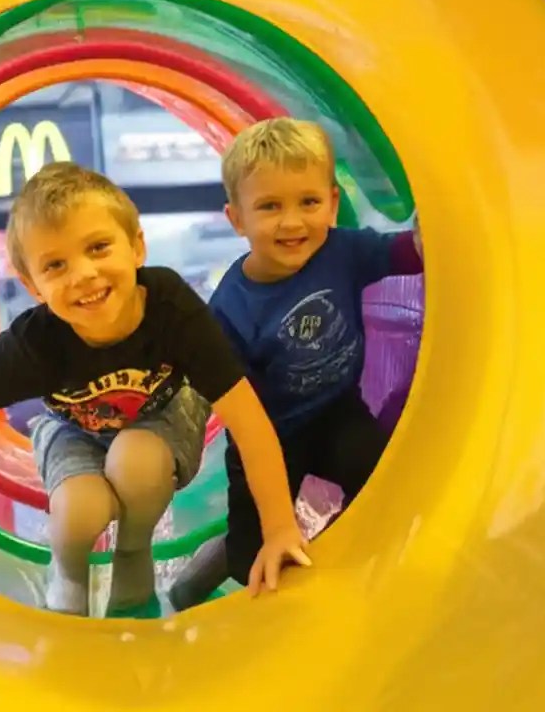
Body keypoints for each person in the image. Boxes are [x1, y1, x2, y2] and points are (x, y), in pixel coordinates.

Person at [0, 161, 308, 617]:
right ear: (32, 285)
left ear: (137, 247)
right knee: (81, 509)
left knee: (136, 459)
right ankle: (69, 576)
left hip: (162, 418)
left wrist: (280, 528)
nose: (83, 275)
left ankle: (134, 554)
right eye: (55, 266)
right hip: (75, 429)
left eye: (98, 248)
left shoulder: (171, 308)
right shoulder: (37, 342)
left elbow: (248, 421)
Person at [169, 117, 424, 611]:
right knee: (255, 560)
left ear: (331, 202)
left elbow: (406, 255)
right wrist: (275, 516)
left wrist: (431, 226)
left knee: (380, 473)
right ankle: (215, 560)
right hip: (267, 434)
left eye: (308, 202)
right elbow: (246, 417)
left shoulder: (343, 250)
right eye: (269, 207)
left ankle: (370, 578)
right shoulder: (230, 310)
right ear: (236, 219)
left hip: (337, 411)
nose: (292, 222)